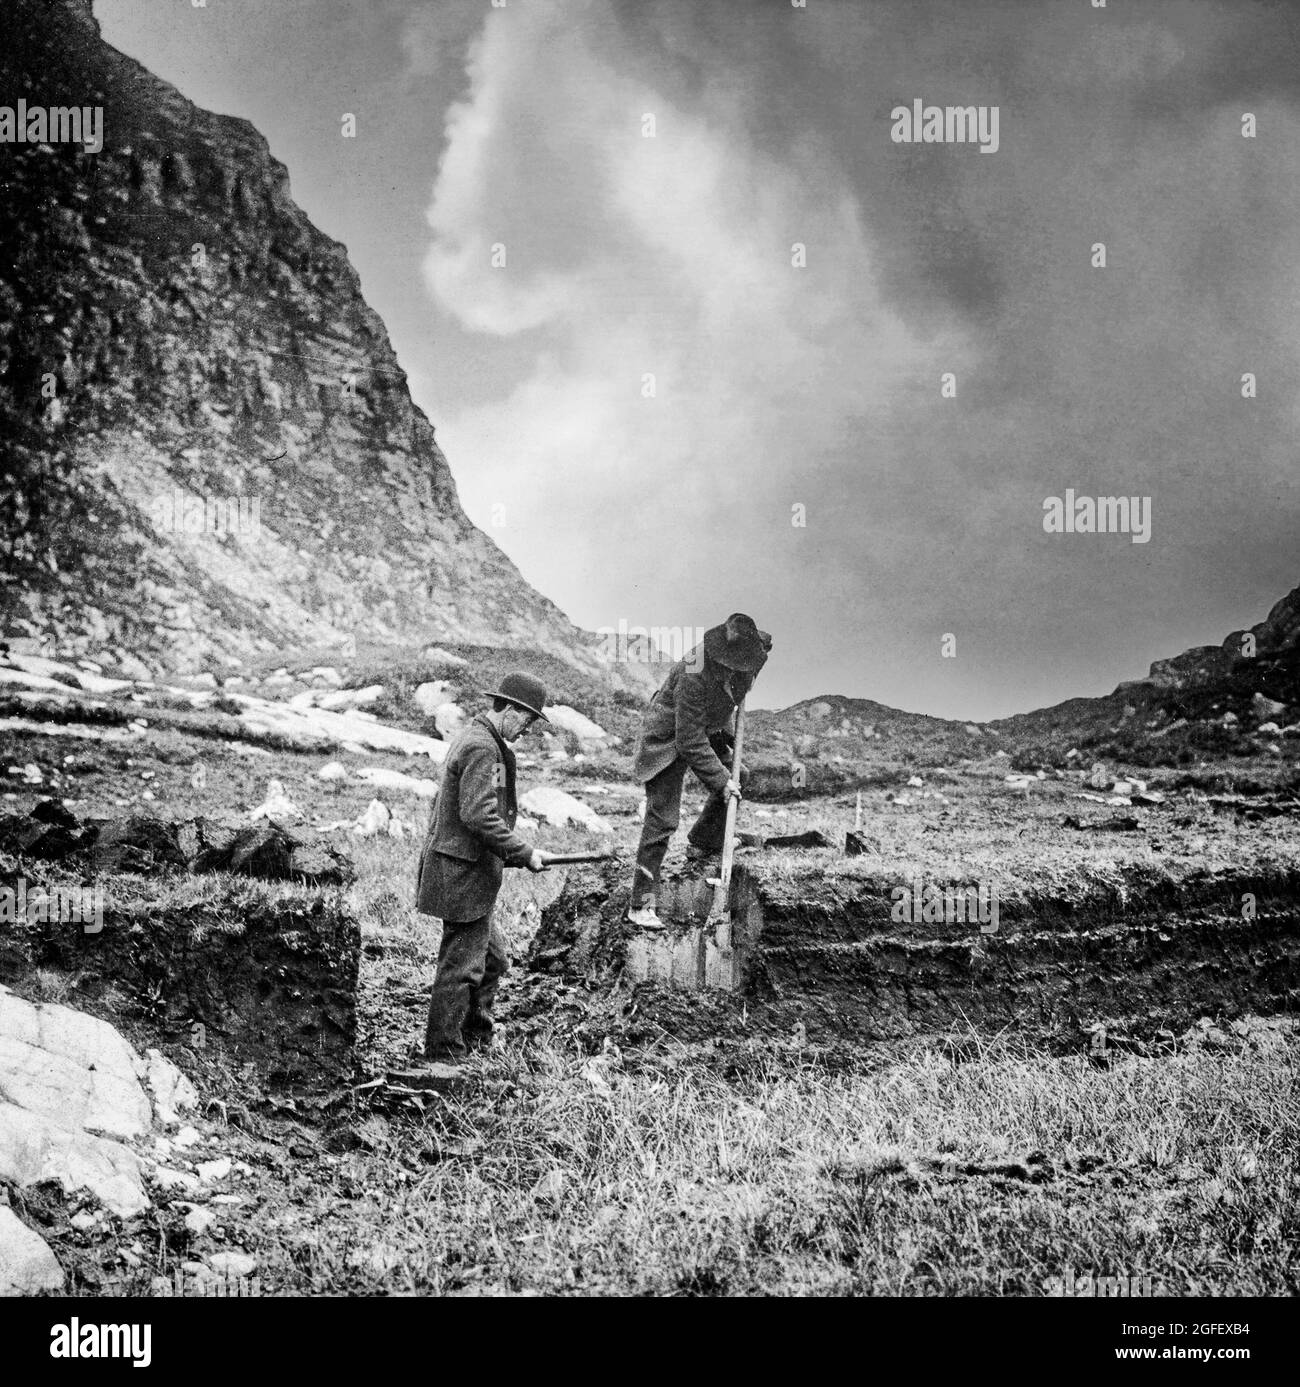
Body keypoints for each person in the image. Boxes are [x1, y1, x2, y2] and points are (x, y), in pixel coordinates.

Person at [415, 671, 550, 1066]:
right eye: (526, 720)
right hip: (461, 876)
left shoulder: (487, 742)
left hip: (471, 872)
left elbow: (480, 818)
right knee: (461, 967)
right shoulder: (481, 747)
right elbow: (478, 816)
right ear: (509, 709)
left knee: (494, 960)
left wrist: (510, 852)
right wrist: (523, 851)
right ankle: (444, 1054)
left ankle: (476, 1037)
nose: (526, 729)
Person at [628, 613, 771, 929]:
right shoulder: (695, 670)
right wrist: (720, 781)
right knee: (662, 819)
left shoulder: (750, 654)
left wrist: (730, 737)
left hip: (708, 728)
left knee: (740, 775)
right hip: (668, 736)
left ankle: (703, 841)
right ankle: (640, 904)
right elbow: (688, 738)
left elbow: (762, 648)